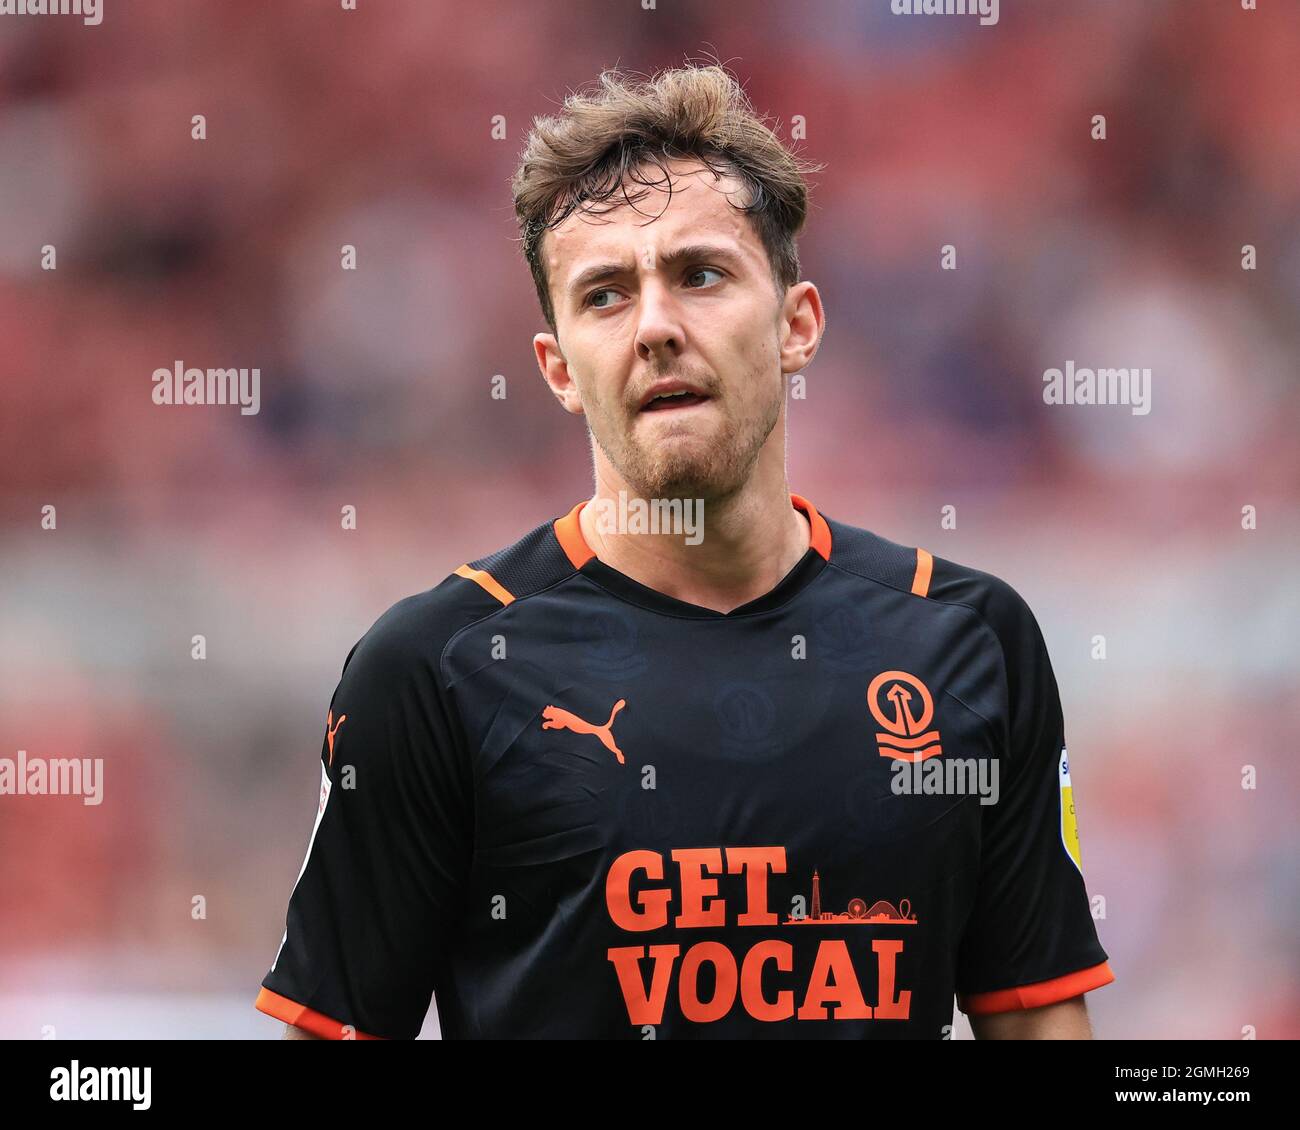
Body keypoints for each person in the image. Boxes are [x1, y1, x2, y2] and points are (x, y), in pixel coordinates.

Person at [255, 63, 1113, 1040]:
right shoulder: (431, 672)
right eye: (605, 295)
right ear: (557, 368)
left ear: (796, 324)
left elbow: (1039, 1025)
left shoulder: (966, 641)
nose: (656, 326)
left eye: (699, 275)